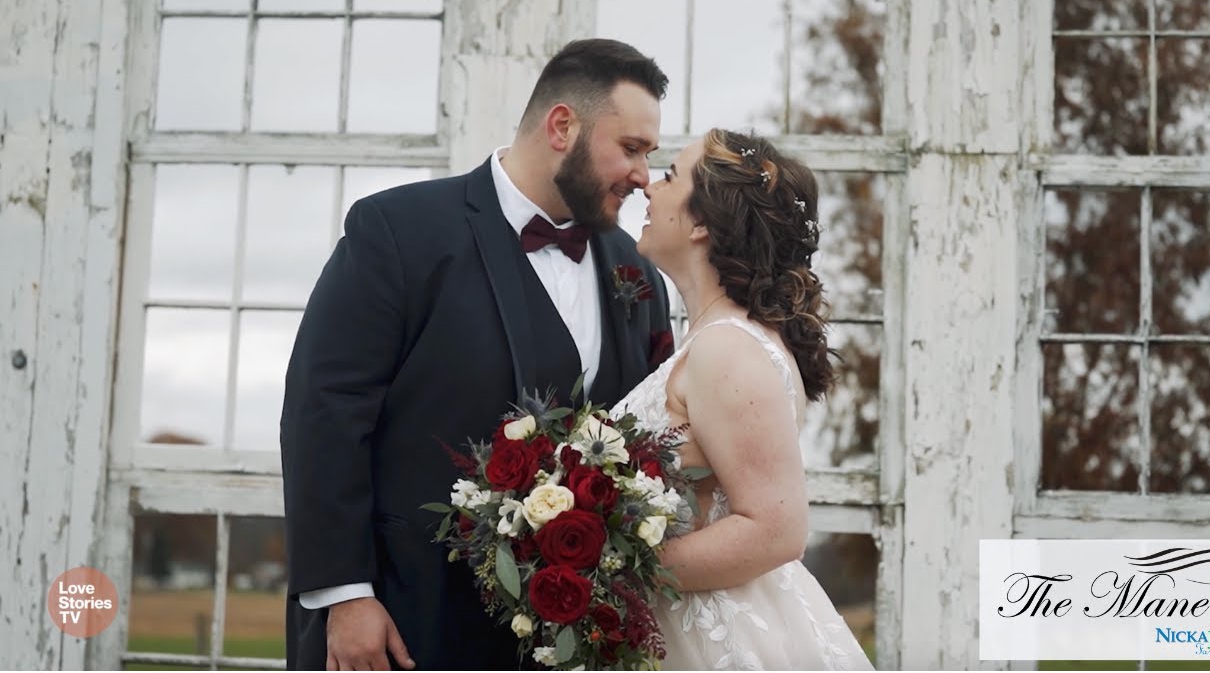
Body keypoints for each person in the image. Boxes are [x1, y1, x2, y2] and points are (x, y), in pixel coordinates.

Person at [281, 38, 674, 671]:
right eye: (630, 149)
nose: (642, 176)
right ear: (562, 125)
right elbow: (323, 413)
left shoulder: (638, 274)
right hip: (403, 622)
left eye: (648, 155)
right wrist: (345, 595)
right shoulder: (397, 232)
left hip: (569, 642)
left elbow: (651, 447)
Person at [611, 128, 875, 670]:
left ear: (704, 221)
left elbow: (775, 530)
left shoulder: (727, 349)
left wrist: (612, 565)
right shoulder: (721, 340)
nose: (649, 189)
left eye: (669, 177)